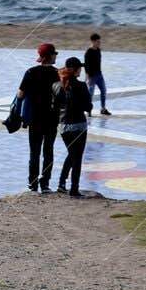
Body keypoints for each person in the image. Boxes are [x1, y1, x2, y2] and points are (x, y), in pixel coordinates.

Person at [15, 41, 60, 193]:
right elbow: (60, 95)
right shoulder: (56, 73)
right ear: (49, 56)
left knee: (34, 152)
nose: (56, 56)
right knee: (48, 151)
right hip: (51, 118)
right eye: (54, 54)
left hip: (34, 118)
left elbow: (20, 94)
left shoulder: (30, 72)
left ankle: (32, 183)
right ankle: (45, 183)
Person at [54, 57, 94, 195]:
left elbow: (55, 105)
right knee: (77, 157)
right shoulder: (81, 86)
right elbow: (88, 107)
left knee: (71, 154)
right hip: (79, 126)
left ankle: (61, 183)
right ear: (76, 70)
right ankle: (74, 188)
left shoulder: (57, 85)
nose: (81, 70)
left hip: (64, 126)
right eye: (80, 68)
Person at [84, 32, 111, 116]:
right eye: (98, 42)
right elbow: (86, 65)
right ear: (93, 41)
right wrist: (88, 77)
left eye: (100, 42)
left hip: (99, 75)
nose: (99, 43)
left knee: (103, 91)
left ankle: (103, 108)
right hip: (92, 76)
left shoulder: (98, 50)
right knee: (90, 94)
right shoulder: (88, 52)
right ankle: (88, 110)